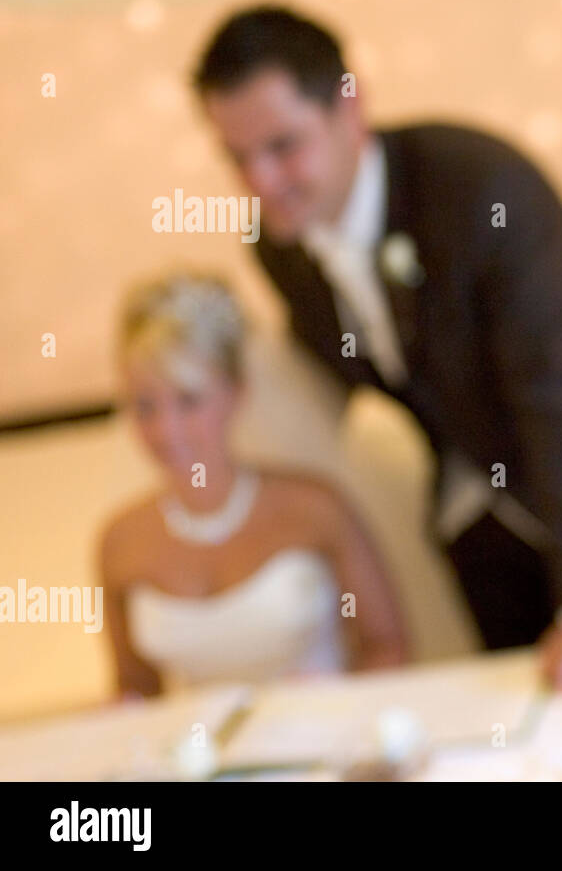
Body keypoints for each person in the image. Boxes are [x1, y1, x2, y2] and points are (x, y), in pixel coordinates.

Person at [192, 5, 562, 690]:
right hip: (491, 552)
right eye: (237, 157)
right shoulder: (278, 247)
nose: (260, 183)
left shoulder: (478, 185)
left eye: (283, 147)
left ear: (349, 106)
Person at [98, 273, 408, 697]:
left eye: (188, 400)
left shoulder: (315, 508)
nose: (165, 430)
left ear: (235, 393)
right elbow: (134, 688)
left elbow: (387, 646)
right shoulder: (120, 543)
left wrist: (334, 706)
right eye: (145, 406)